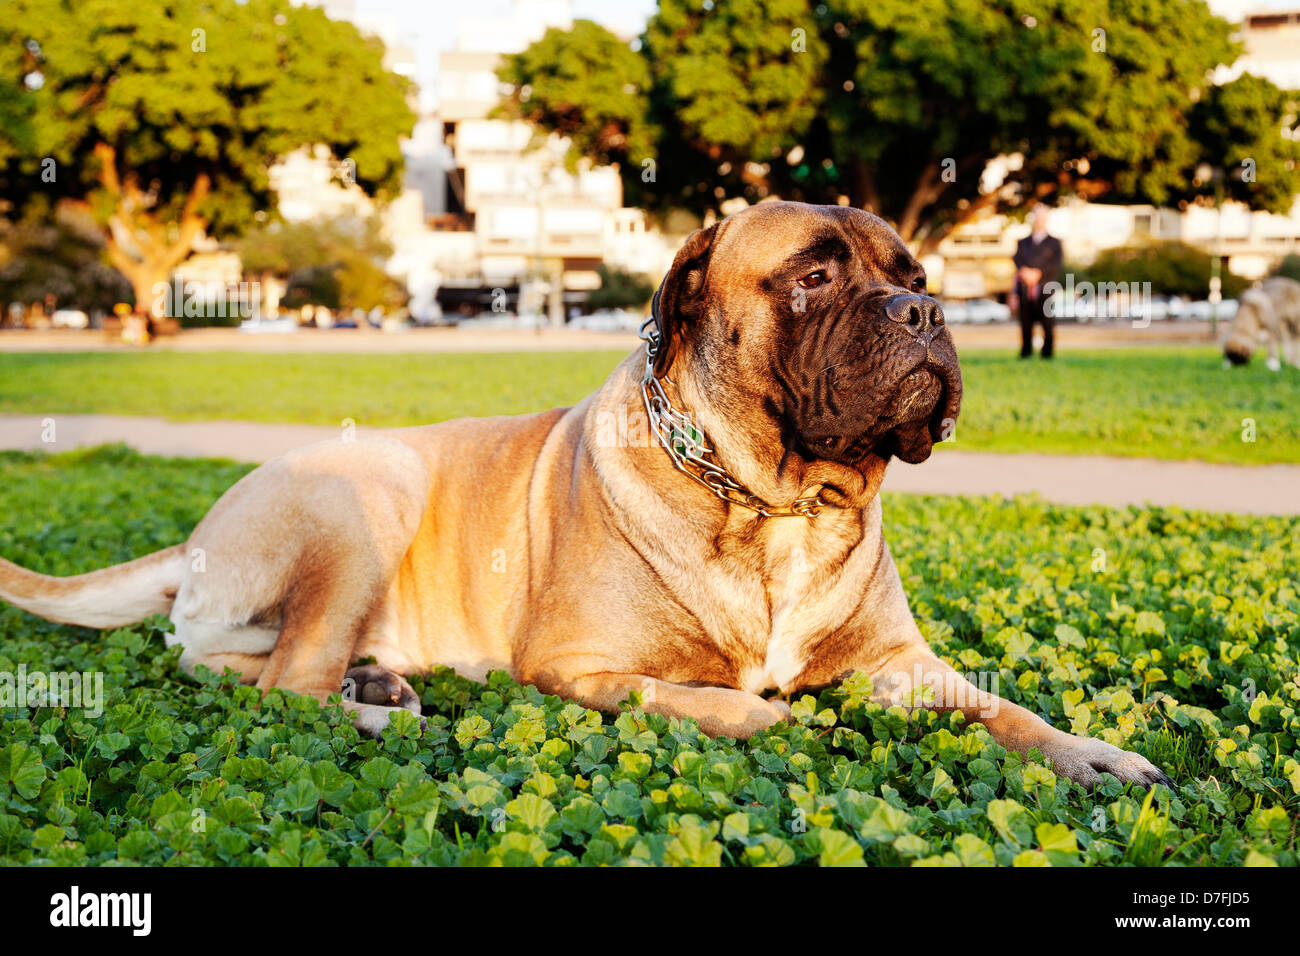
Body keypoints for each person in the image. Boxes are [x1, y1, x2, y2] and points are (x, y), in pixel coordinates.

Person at [1011, 204, 1063, 359]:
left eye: (1042, 218)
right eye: (1037, 218)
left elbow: (1056, 264)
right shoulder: (1023, 242)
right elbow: (1017, 259)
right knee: (1025, 322)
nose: (1039, 221)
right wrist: (1025, 272)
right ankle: (1026, 351)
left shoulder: (1054, 243)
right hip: (1025, 287)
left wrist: (1038, 273)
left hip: (1045, 288)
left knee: (1047, 321)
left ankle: (1047, 353)